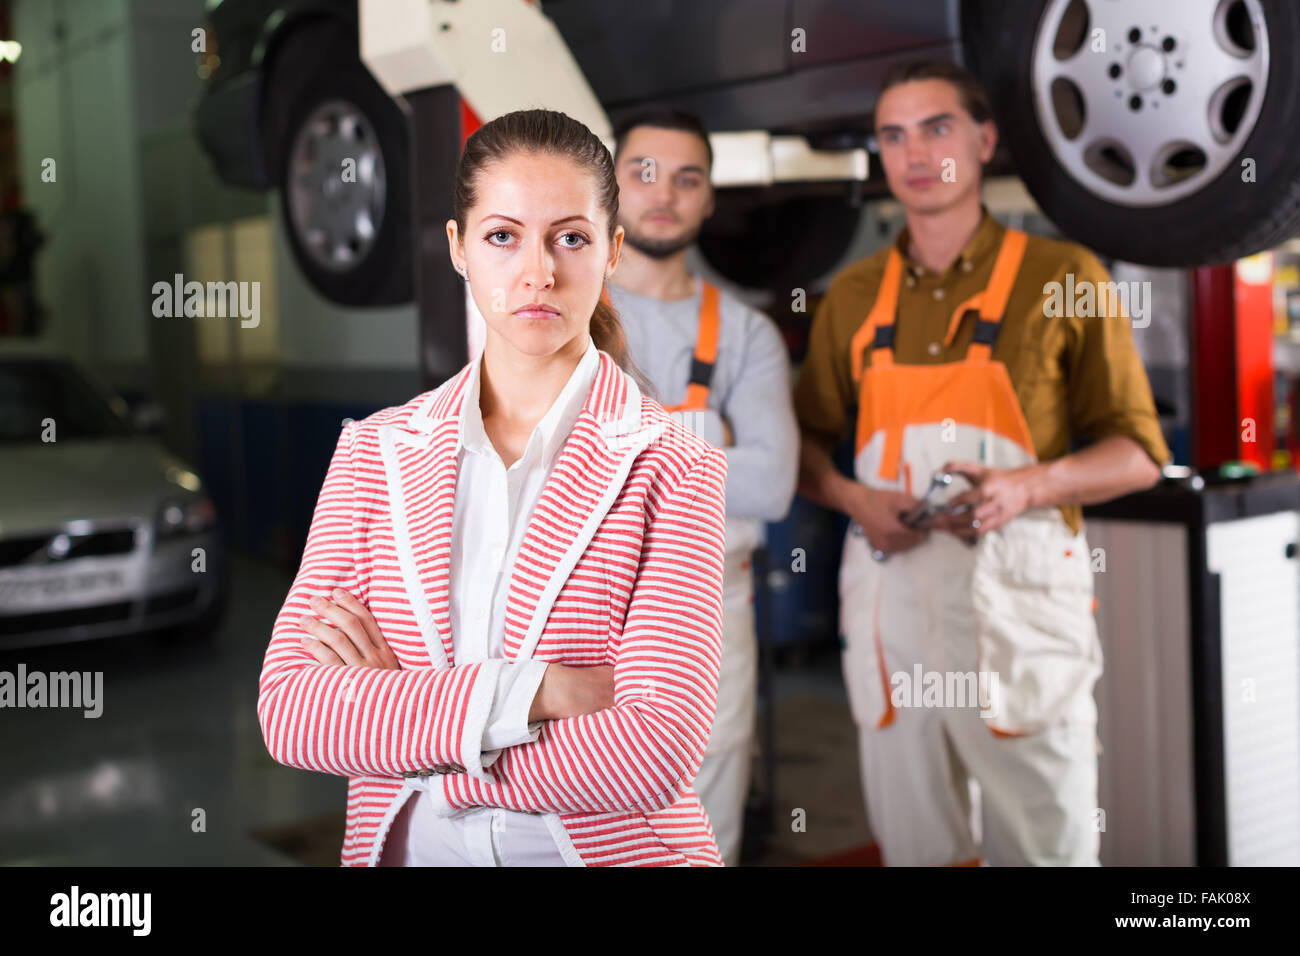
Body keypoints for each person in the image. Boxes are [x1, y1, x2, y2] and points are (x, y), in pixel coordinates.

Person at [257, 108, 730, 867]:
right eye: (502, 236)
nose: (538, 272)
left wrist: (412, 739)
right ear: (459, 249)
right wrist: (538, 692)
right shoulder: (375, 451)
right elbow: (293, 713)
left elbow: (655, 750)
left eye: (570, 238)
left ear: (611, 252)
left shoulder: (672, 460)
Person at [793, 59, 1170, 866]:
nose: (915, 152)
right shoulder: (853, 295)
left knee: (1048, 848)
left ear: (985, 140)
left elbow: (1138, 454)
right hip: (893, 616)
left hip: (1017, 616)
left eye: (938, 127)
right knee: (921, 850)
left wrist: (1029, 486)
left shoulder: (1064, 278)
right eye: (893, 135)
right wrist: (856, 501)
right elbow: (804, 444)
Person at [603, 106, 798, 866]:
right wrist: (706, 437)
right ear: (610, 186)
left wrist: (630, 450)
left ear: (710, 198)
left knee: (699, 829)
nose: (665, 194)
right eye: (643, 172)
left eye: (688, 179)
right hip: (577, 613)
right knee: (574, 820)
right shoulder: (551, 316)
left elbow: (774, 483)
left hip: (709, 612)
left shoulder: (746, 334)